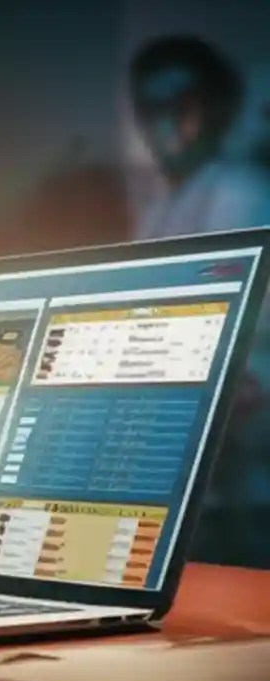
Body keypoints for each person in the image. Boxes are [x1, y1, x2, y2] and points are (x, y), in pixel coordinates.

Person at [129, 35, 270, 568]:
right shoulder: (161, 206)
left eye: (180, 101)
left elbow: (211, 318)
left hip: (251, 462)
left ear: (217, 106)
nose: (164, 121)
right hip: (198, 461)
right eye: (150, 104)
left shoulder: (239, 190)